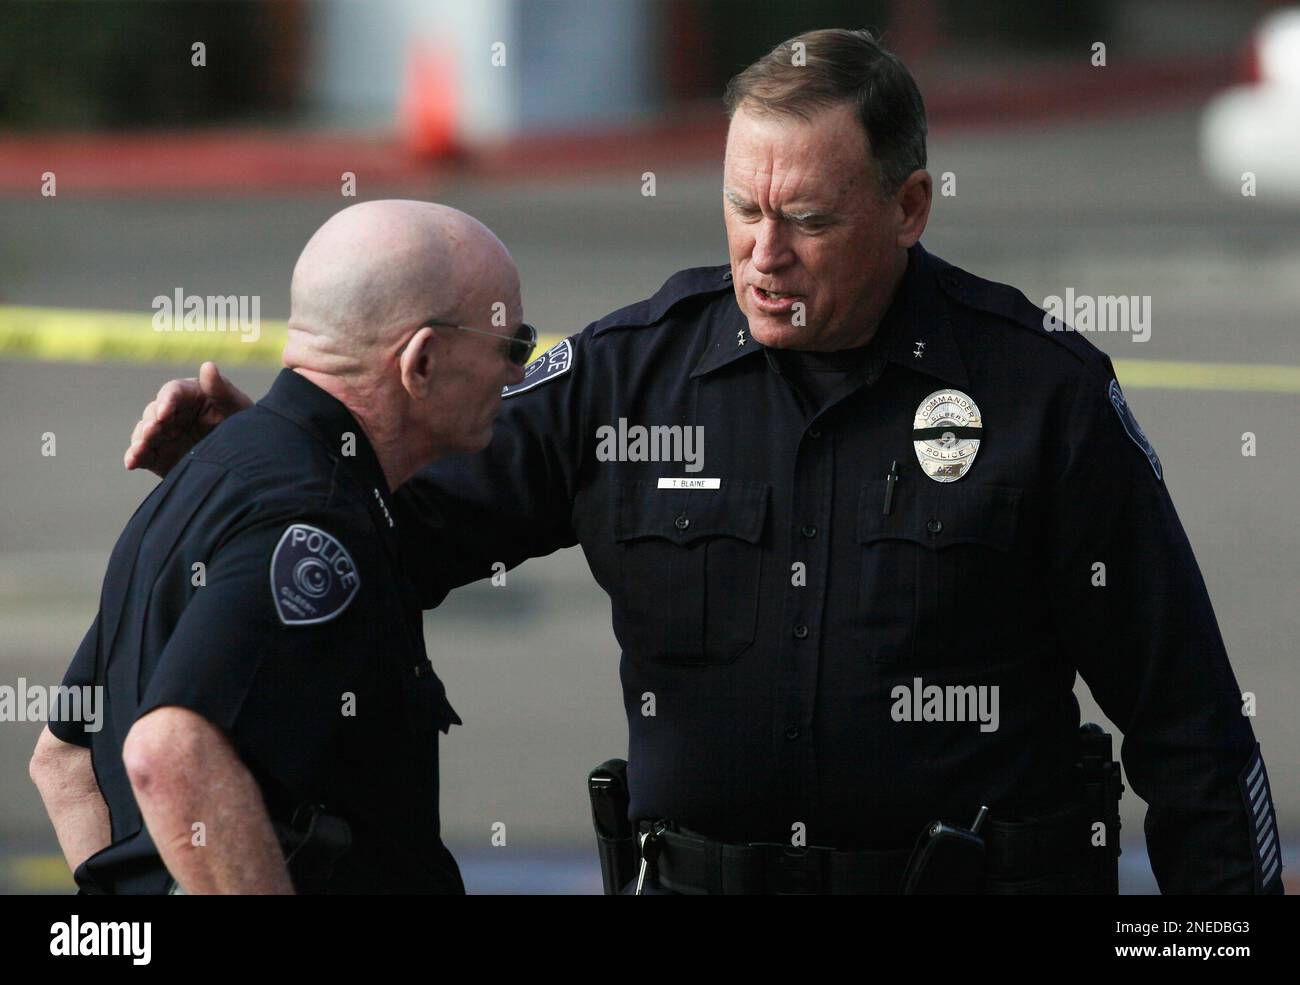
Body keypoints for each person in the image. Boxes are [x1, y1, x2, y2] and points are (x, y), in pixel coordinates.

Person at [123, 30, 1282, 894]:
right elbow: (380, 523)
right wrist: (269, 450)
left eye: (811, 221)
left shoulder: (1043, 396)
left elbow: (1188, 723)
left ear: (910, 205)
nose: (763, 256)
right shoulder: (626, 380)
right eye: (741, 210)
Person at [31, 199, 532, 893]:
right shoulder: (319, 523)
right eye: (514, 343)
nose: (516, 375)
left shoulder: (210, 472)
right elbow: (172, 752)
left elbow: (64, 761)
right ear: (422, 360)